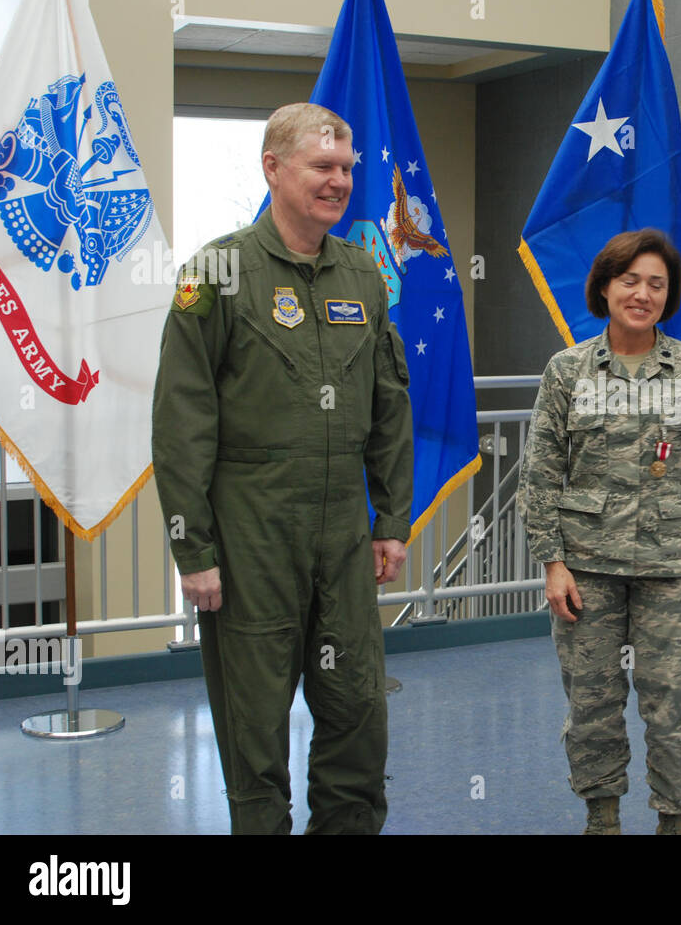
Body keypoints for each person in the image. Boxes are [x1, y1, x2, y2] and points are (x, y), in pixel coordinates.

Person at [151, 103, 414, 834]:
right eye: (322, 167)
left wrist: (391, 520)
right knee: (254, 735)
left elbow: (390, 405)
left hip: (342, 541)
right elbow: (182, 424)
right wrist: (192, 550)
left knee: (358, 715)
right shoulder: (216, 275)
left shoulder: (363, 275)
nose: (338, 182)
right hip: (250, 540)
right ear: (273, 167)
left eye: (347, 169)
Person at [518, 229, 681, 835]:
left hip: (674, 568)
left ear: (668, 298)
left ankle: (675, 820)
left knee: (670, 704)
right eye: (630, 280)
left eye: (656, 284)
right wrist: (552, 562)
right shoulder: (567, 371)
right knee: (592, 705)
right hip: (587, 570)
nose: (642, 294)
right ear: (604, 286)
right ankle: (603, 818)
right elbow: (540, 474)